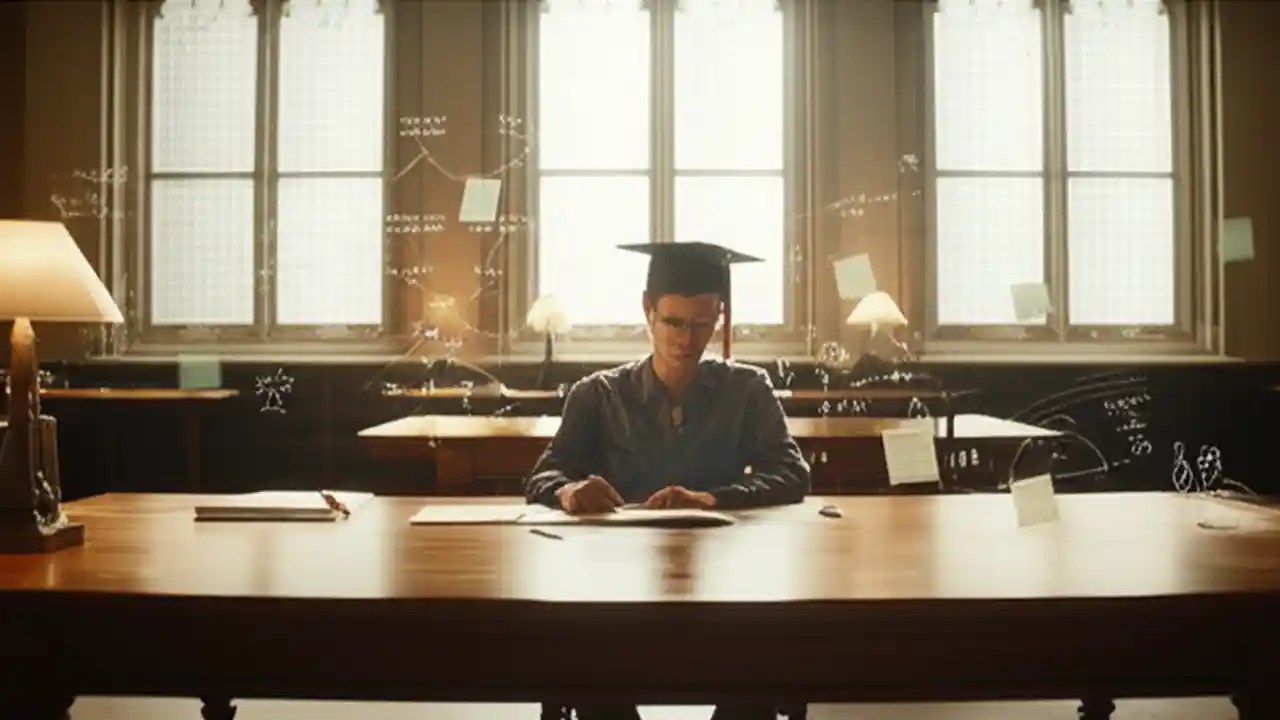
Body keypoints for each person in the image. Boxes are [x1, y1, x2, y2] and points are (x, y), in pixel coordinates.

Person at [524, 241, 811, 720]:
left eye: (702, 324)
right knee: (591, 672)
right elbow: (544, 475)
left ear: (719, 316)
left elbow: (792, 473)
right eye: (674, 322)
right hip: (615, 585)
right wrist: (568, 490)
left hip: (727, 580)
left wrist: (711, 499)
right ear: (648, 311)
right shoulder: (598, 394)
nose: (687, 339)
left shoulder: (747, 389)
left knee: (758, 670)